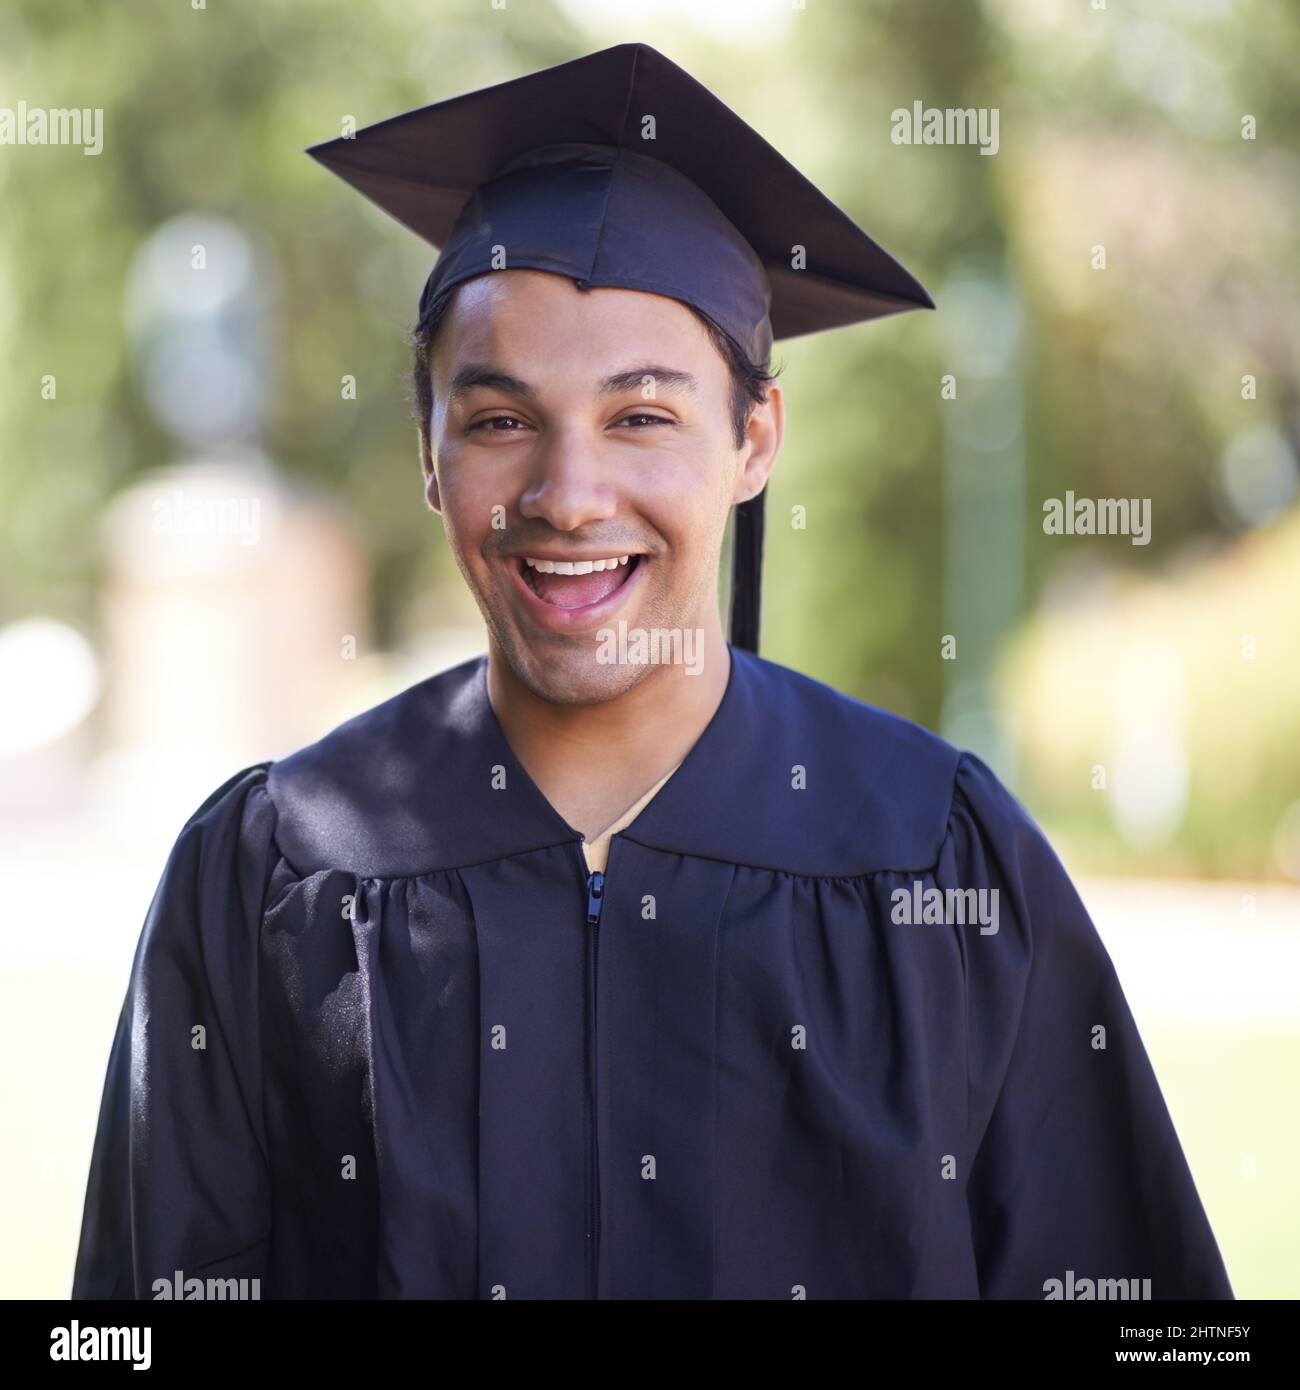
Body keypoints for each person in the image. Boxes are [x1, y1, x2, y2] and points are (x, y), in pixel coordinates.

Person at [73, 42, 1232, 1300]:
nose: (569, 496)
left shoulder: (936, 859)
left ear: (754, 439)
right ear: (428, 449)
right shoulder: (273, 876)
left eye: (642, 416)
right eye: (500, 419)